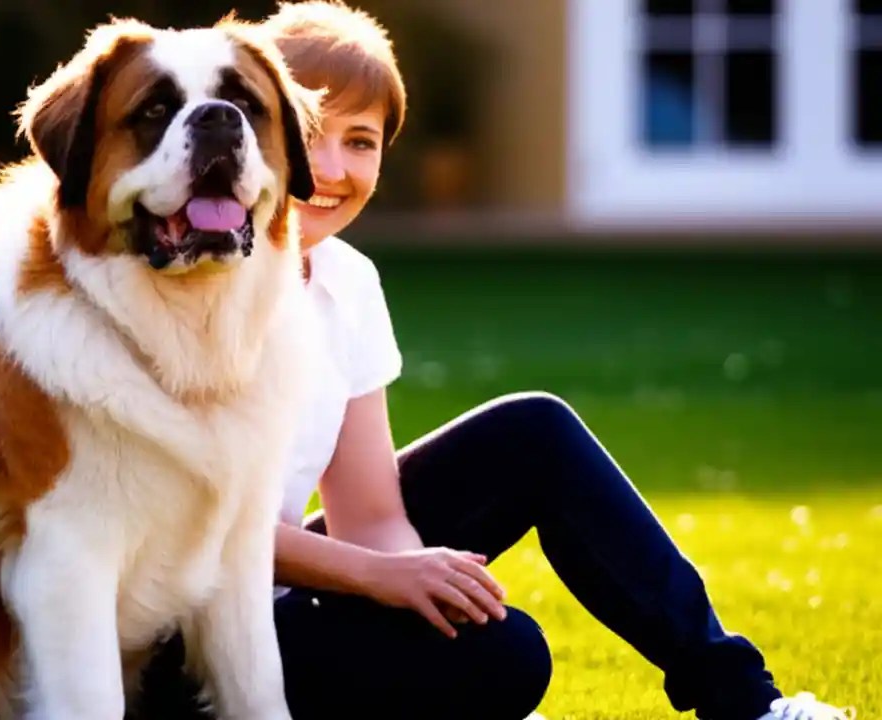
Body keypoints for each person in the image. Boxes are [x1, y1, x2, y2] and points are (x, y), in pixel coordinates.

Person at [133, 2, 853, 719]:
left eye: (362, 141)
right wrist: (383, 581)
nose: (333, 167)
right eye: (313, 131)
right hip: (173, 644)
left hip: (276, 603)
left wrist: (417, 610)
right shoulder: (188, 277)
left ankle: (748, 705)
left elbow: (372, 517)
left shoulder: (348, 283)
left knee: (533, 436)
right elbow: (195, 530)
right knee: (509, 656)